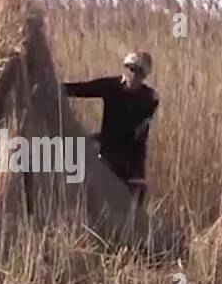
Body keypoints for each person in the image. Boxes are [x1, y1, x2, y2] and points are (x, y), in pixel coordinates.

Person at [62, 51, 158, 206]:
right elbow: (83, 89)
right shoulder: (112, 86)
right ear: (125, 69)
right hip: (109, 149)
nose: (133, 75)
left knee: (134, 202)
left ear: (144, 76)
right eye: (130, 69)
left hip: (132, 156)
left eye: (139, 72)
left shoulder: (149, 98)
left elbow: (135, 130)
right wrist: (54, 87)